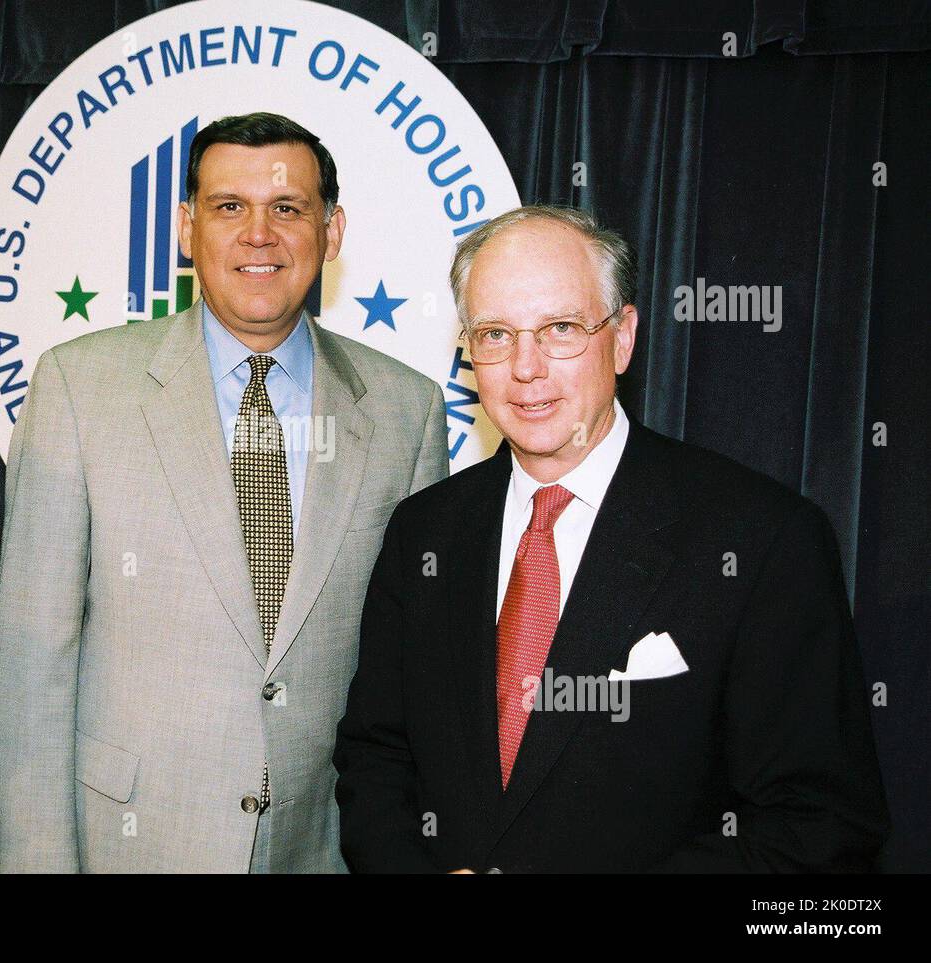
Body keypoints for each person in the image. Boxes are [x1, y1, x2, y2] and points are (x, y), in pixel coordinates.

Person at [334, 204, 889, 872]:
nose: (526, 367)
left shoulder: (761, 539)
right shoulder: (424, 532)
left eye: (560, 329)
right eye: (496, 334)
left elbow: (819, 823)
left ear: (622, 337)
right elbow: (375, 756)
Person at [0, 112, 448, 873]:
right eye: (229, 207)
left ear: (331, 233)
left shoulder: (408, 409)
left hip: (325, 850)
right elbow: (32, 666)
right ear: (185, 227)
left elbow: (414, 677)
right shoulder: (78, 387)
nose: (258, 234)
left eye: (288, 209)